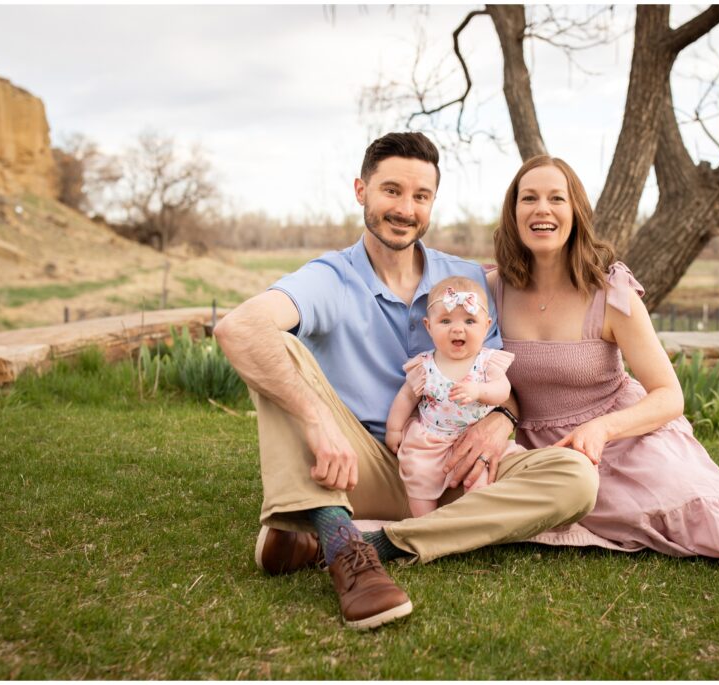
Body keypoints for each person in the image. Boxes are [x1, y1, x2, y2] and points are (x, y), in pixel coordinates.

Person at [214, 134, 598, 630]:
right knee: (275, 346)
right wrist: (318, 422)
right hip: (357, 467)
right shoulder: (332, 276)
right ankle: (341, 543)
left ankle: (371, 542)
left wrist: (499, 420)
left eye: (420, 196)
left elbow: (500, 373)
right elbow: (238, 327)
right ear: (361, 190)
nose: (405, 208)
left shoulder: (464, 281)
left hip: (461, 464)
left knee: (575, 477)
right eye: (391, 191)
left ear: (433, 202)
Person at [486, 154, 719, 578]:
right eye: (528, 198)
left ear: (576, 213)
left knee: (682, 515)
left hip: (622, 436)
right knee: (573, 509)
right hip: (539, 447)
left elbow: (669, 395)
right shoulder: (493, 289)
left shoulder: (612, 294)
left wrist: (602, 429)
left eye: (556, 199)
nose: (541, 209)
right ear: (513, 213)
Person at [385, 276, 524, 516]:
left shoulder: (486, 362)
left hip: (473, 440)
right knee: (419, 476)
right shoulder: (424, 366)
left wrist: (480, 391)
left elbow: (503, 390)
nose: (457, 328)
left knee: (480, 479)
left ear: (486, 325)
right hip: (430, 440)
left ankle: (470, 521)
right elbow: (406, 397)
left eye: (470, 321)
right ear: (429, 327)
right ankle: (424, 521)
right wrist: (394, 429)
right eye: (446, 320)